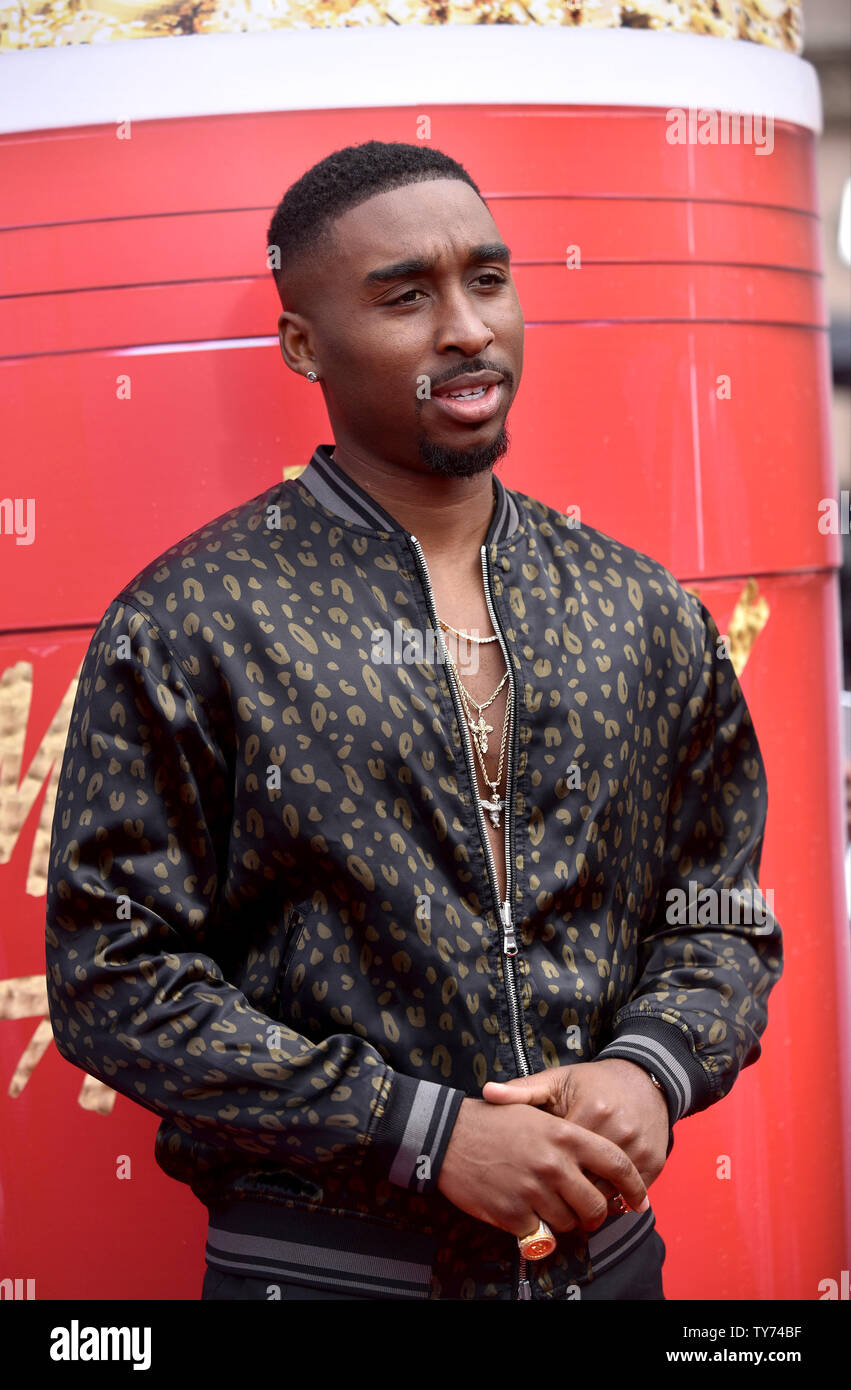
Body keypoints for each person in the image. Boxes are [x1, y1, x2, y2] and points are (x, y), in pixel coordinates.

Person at [44, 140, 782, 1302]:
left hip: (607, 1264)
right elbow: (111, 976)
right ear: (303, 344)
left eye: (486, 280)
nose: (466, 328)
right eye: (405, 295)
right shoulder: (191, 619)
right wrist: (422, 1132)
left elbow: (719, 910)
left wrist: (652, 1067)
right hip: (324, 1272)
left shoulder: (635, 607)